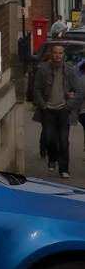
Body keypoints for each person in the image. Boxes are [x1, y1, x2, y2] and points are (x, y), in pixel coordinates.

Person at [32, 42, 83, 178]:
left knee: (64, 140)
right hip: (48, 109)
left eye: (60, 53)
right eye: (55, 53)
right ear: (52, 54)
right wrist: (42, 104)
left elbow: (78, 92)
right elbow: (36, 89)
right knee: (49, 139)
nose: (58, 56)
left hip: (63, 110)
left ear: (63, 55)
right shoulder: (43, 69)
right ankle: (52, 158)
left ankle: (64, 169)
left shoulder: (70, 70)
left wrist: (68, 106)